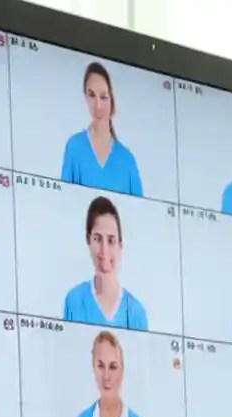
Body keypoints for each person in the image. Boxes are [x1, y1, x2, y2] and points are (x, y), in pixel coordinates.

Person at [69, 331, 154, 417]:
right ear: (93, 368)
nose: (106, 376)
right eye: (101, 366)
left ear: (122, 370)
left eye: (113, 367)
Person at [62, 196, 149, 330]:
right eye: (97, 239)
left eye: (111, 240)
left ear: (120, 245)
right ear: (88, 241)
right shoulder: (75, 301)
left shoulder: (136, 314)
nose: (104, 250)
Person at [60, 62, 143, 196]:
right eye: (92, 95)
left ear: (112, 99)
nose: (98, 105)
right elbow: (64, 202)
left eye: (103, 97)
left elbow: (140, 211)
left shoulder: (127, 160)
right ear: (85, 96)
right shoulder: (74, 147)